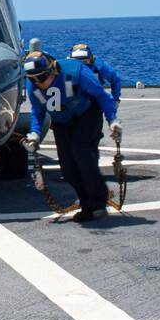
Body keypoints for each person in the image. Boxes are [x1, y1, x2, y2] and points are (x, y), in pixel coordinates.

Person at [22, 51, 122, 223]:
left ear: (52, 69)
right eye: (33, 79)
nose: (39, 83)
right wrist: (35, 133)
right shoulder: (34, 86)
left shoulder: (76, 72)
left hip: (87, 114)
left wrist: (112, 120)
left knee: (82, 153)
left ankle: (97, 203)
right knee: (67, 169)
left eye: (42, 77)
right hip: (61, 120)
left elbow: (101, 95)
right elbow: (37, 111)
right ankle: (86, 203)